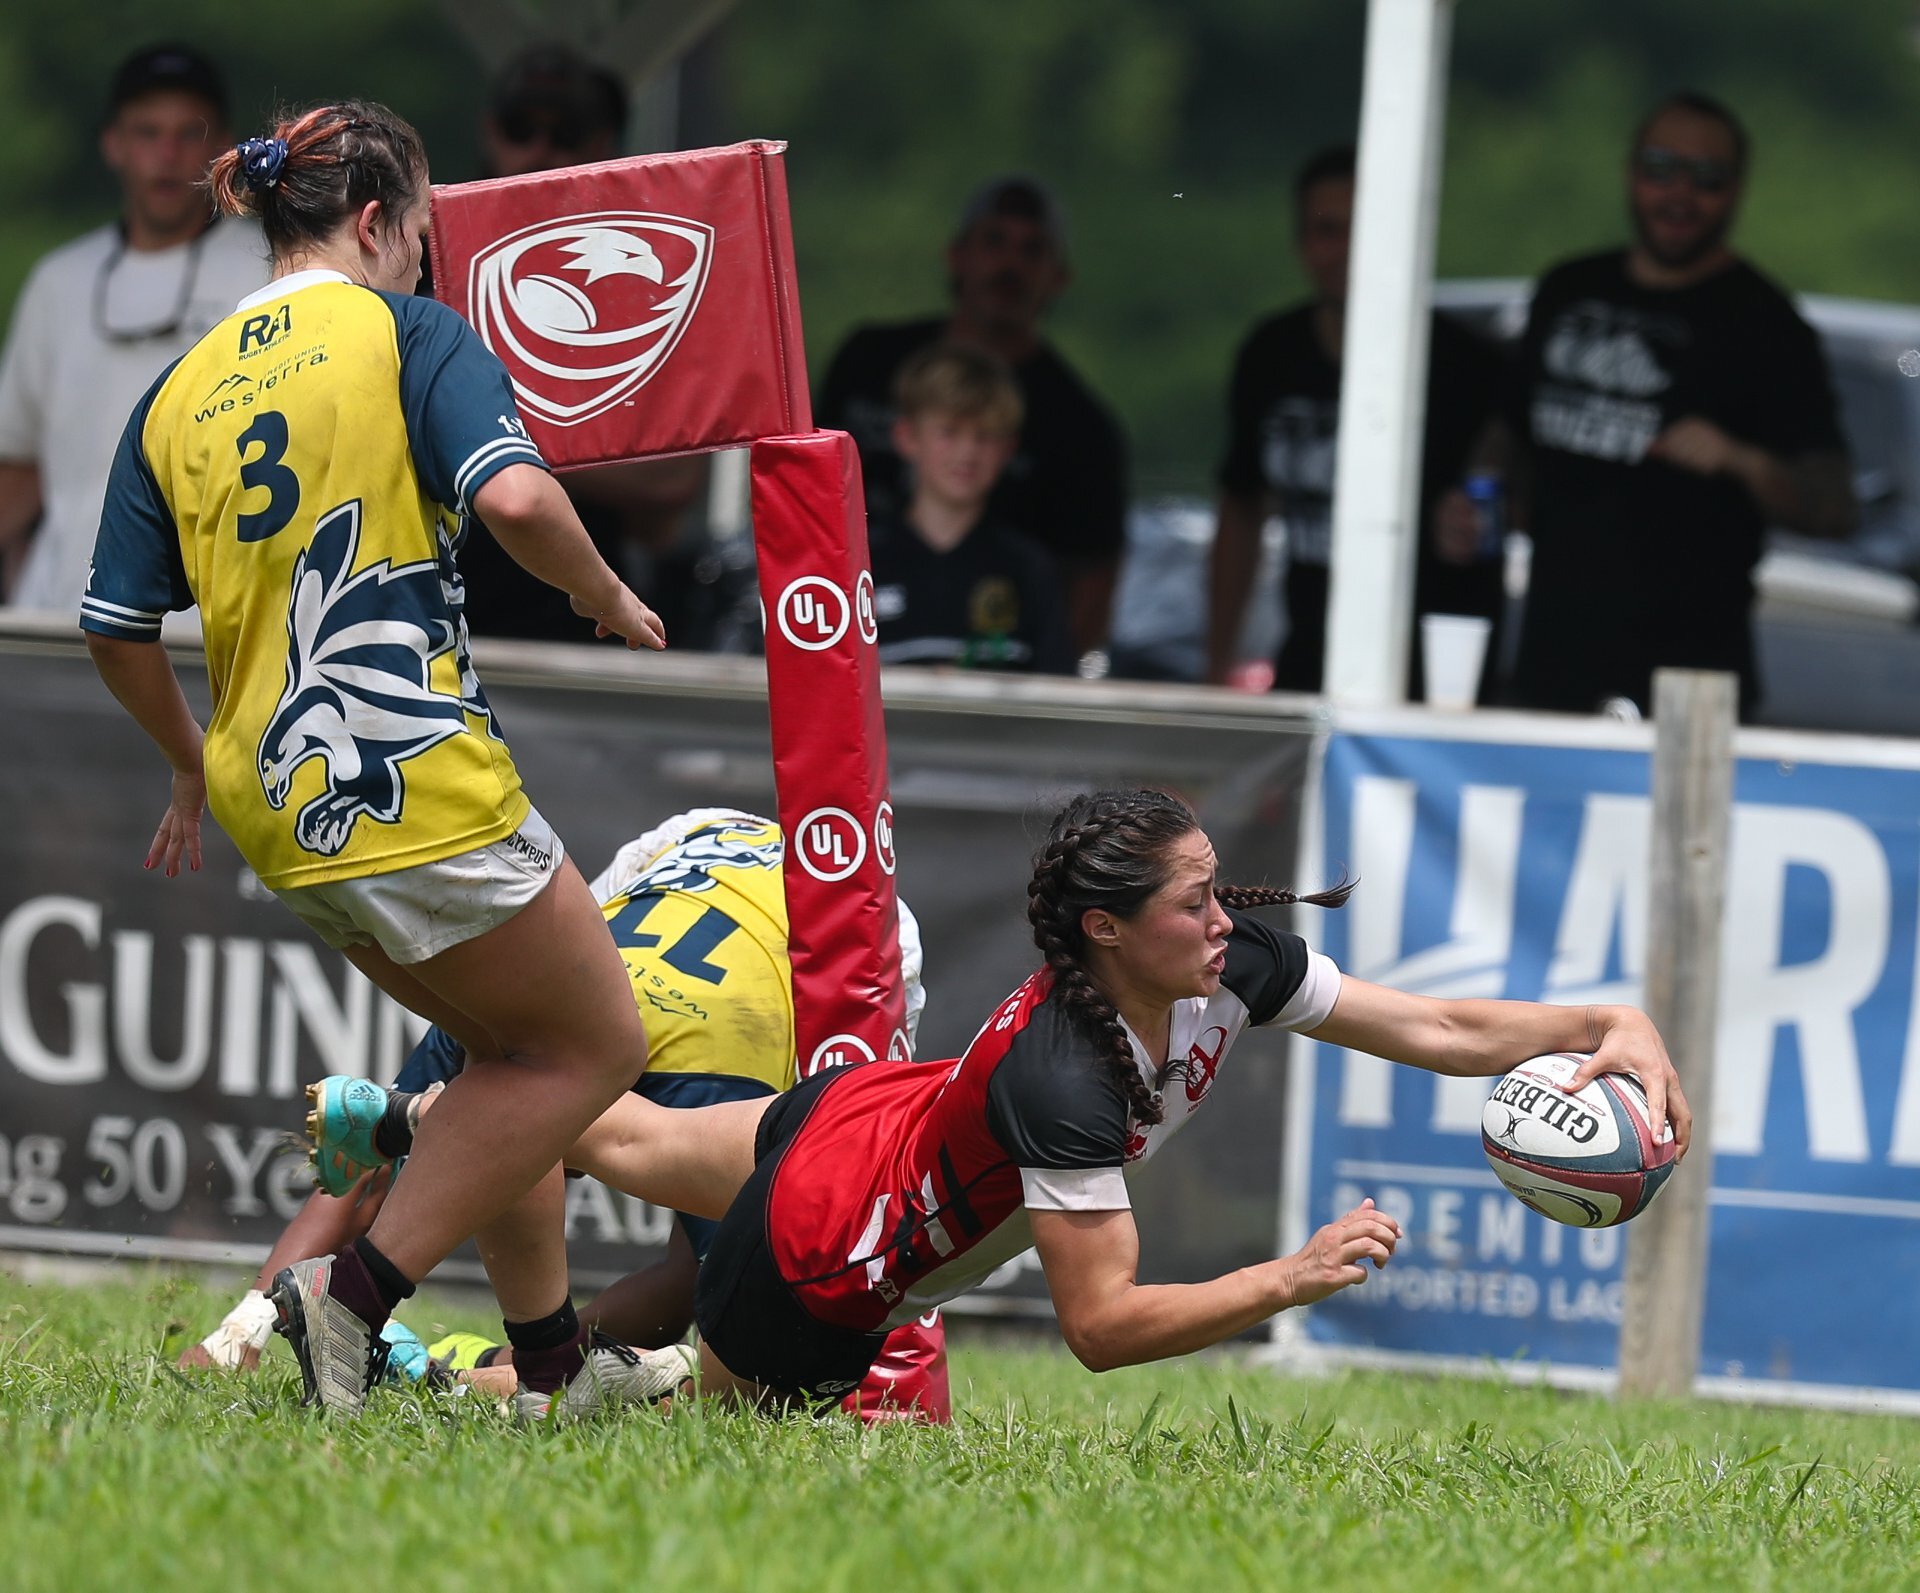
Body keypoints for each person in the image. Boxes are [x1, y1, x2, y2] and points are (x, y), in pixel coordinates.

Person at [380, 787, 1688, 1410]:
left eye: (1220, 885)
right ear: (1110, 933)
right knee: (679, 1428)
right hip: (827, 1248)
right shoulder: (1068, 1083)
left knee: (604, 1125)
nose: (1223, 915)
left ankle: (407, 1131)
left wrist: (1605, 1020)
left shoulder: (1230, 960)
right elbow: (1103, 1326)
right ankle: (492, 1385)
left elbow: (1443, 1021)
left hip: (859, 1117)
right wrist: (1290, 1277)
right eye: (1193, 901)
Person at [80, 99, 668, 1421]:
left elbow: (114, 625)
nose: (424, 263)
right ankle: (346, 1300)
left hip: (268, 797)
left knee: (503, 1055)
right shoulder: (406, 331)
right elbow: (514, 496)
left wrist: (186, 760)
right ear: (375, 221)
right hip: (404, 763)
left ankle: (554, 1365)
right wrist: (604, 592)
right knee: (593, 1046)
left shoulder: (176, 391)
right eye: (422, 238)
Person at [183, 809, 926, 1385]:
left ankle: (513, 1351)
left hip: (641, 958)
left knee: (404, 1146)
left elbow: (366, 1169)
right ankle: (530, 1366)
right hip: (727, 987)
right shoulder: (866, 928)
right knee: (725, 1302)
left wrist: (234, 1334)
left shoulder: (689, 846)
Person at [1509, 92, 1856, 719]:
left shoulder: (1767, 325)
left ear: (1738, 189)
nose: (1679, 194)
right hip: (1548, 670)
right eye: (1660, 168)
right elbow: (1504, 441)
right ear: (1630, 171)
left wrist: (1741, 459)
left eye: (1708, 178)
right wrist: (1473, 504)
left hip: (1690, 685)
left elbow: (1833, 507)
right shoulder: (1567, 290)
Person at [450, 45, 754, 651]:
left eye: (566, 132)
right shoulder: (429, 263)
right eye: (520, 129)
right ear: (490, 133)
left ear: (606, 141)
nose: (541, 150)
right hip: (437, 602)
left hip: (580, 610)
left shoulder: (646, 276)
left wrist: (479, 440)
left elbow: (670, 482)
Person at [1207, 145, 1509, 699]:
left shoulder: (1469, 364)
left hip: (1436, 682)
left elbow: (1521, 494)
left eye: (1365, 227)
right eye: (1327, 229)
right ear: (1300, 244)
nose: (1347, 249)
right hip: (1308, 664)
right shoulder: (1272, 354)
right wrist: (1215, 668)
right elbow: (1242, 508)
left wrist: (1478, 513)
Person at [0, 44, 268, 611]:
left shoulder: (274, 267)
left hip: (220, 622)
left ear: (224, 147)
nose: (167, 154)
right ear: (114, 145)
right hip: (61, 614)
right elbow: (19, 467)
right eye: (147, 132)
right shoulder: (59, 280)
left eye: (187, 132)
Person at [816, 176, 1127, 659]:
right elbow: (801, 497)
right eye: (994, 241)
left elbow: (1093, 584)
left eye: (1032, 249)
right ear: (956, 253)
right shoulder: (866, 360)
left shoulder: (1081, 427)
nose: (1010, 264)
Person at [868, 343, 1074, 674]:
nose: (967, 452)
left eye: (984, 436)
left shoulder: (1029, 569)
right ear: (906, 437)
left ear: (1008, 449)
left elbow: (1061, 704)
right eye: (949, 432)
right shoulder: (858, 563)